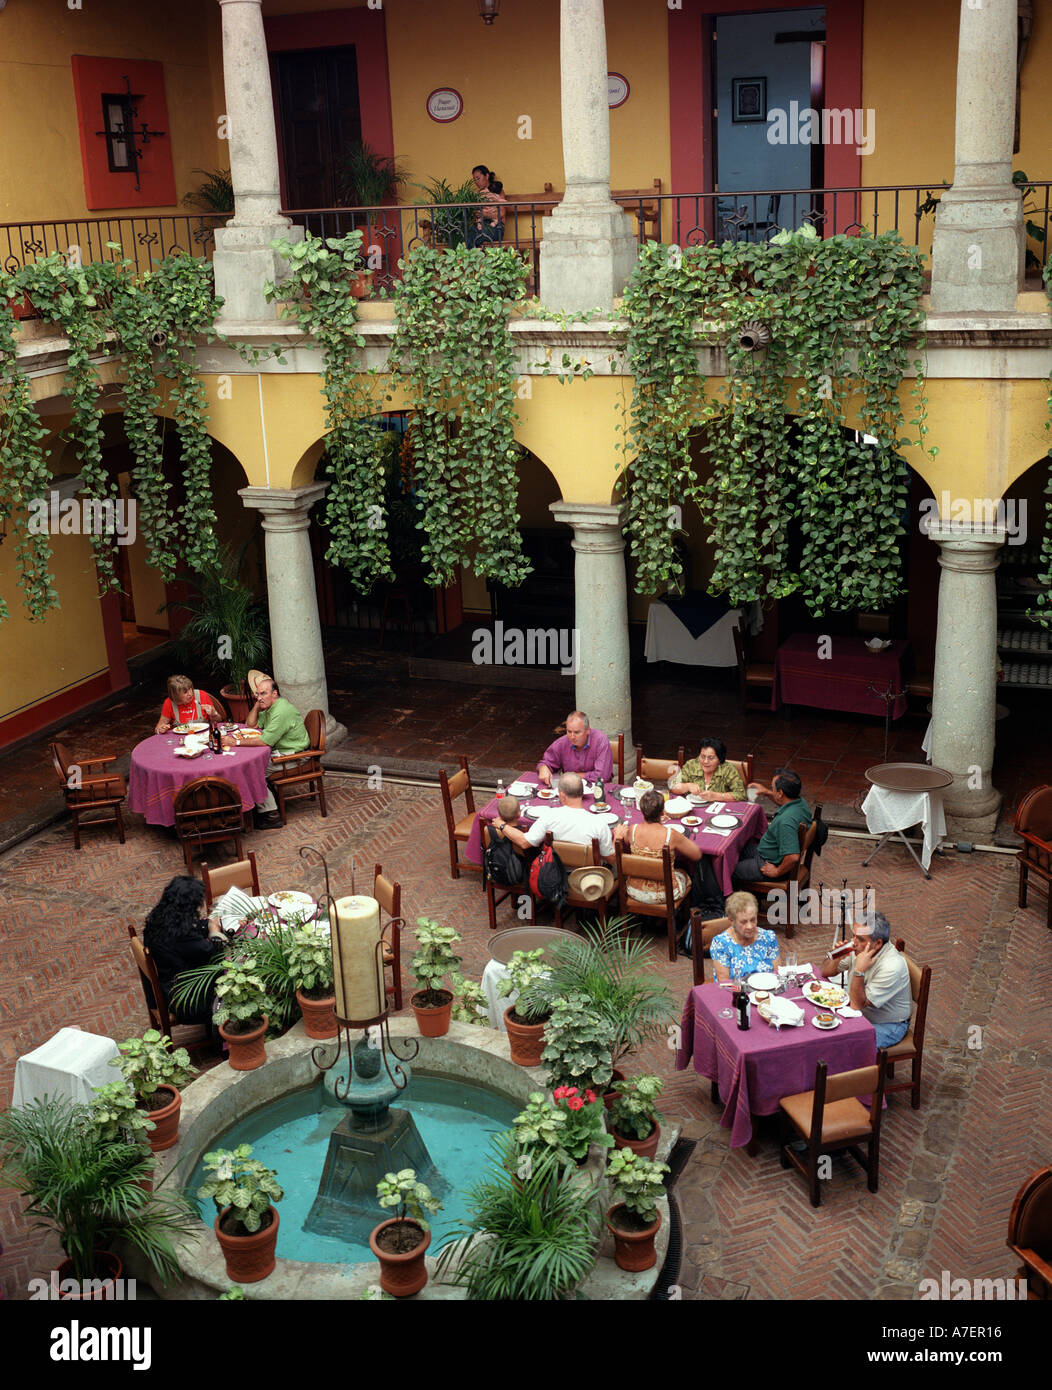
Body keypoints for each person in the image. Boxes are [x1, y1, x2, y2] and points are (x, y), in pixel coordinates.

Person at [223, 675, 309, 828]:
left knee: (253, 770)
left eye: (263, 693)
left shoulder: (281, 711)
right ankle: (265, 803)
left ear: (274, 694)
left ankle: (272, 815)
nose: (259, 697)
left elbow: (264, 741)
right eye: (257, 693)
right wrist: (258, 704)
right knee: (251, 767)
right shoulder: (270, 707)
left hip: (294, 756)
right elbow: (250, 725)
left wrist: (234, 742)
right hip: (280, 751)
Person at [818, 909, 912, 1048]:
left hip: (887, 1025)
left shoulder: (892, 966)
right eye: (853, 935)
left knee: (842, 1047)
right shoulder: (859, 947)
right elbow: (824, 972)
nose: (853, 943)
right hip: (859, 1014)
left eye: (860, 939)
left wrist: (858, 971)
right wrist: (836, 958)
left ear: (878, 943)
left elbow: (857, 1004)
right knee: (822, 1032)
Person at [143, 875, 227, 1025]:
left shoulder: (158, 919)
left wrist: (204, 926)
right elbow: (208, 952)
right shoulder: (181, 933)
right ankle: (225, 1036)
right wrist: (214, 929)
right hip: (187, 998)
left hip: (168, 985)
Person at [499, 772, 614, 860]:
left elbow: (524, 842)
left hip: (555, 877)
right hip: (589, 882)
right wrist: (617, 837)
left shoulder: (549, 816)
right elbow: (610, 859)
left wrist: (502, 825)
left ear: (562, 795)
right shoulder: (598, 823)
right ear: (582, 793)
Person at [613, 789, 698, 903]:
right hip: (664, 894)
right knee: (684, 872)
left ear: (642, 811)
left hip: (634, 891)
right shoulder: (670, 834)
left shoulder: (633, 830)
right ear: (663, 811)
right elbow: (696, 854)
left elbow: (629, 843)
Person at [732, 769, 811, 884]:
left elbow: (793, 857)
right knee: (734, 848)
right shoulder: (800, 803)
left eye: (772, 788)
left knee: (726, 870)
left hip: (769, 863)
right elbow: (783, 801)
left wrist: (777, 872)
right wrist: (768, 792)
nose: (771, 789)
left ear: (780, 793)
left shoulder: (786, 822)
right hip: (767, 852)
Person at [708, 891, 780, 981]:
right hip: (736, 992)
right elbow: (725, 983)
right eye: (743, 922)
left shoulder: (768, 937)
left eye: (753, 920)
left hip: (766, 992)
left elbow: (777, 974)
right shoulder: (721, 944)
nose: (750, 926)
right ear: (731, 921)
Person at [537, 711, 613, 787]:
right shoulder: (562, 743)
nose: (572, 737)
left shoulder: (600, 741)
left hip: (598, 789)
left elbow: (603, 776)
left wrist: (574, 776)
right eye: (569, 731)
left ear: (587, 730)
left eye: (577, 732)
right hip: (571, 789)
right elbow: (546, 762)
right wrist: (543, 768)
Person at [672, 736, 746, 801]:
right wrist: (687, 786)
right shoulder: (691, 765)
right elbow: (673, 786)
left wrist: (716, 796)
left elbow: (741, 794)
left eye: (711, 758)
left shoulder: (728, 769)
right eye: (702, 756)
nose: (705, 761)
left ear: (720, 759)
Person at [155, 675, 221, 735]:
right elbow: (157, 729)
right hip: (181, 739)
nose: (190, 694)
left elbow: (218, 720)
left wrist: (213, 714)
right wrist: (161, 729)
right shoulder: (169, 703)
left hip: (204, 735)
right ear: (176, 696)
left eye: (190, 689)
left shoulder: (202, 696)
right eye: (185, 692)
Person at [466, 164, 506, 248]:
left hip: (495, 226)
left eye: (478, 178)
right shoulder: (477, 195)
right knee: (467, 235)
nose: (476, 182)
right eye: (474, 180)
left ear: (487, 176)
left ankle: (471, 259)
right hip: (480, 225)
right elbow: (474, 214)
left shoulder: (498, 191)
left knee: (475, 238)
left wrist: (485, 214)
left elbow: (502, 213)